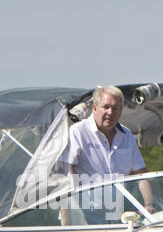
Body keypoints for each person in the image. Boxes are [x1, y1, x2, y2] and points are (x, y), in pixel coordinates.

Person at [57, 85, 154, 224]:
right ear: (95, 108)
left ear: (121, 111)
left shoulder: (127, 136)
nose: (110, 112)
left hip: (119, 215)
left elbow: (141, 175)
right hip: (85, 217)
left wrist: (149, 205)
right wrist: (68, 213)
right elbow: (64, 173)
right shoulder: (77, 132)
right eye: (106, 107)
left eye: (115, 108)